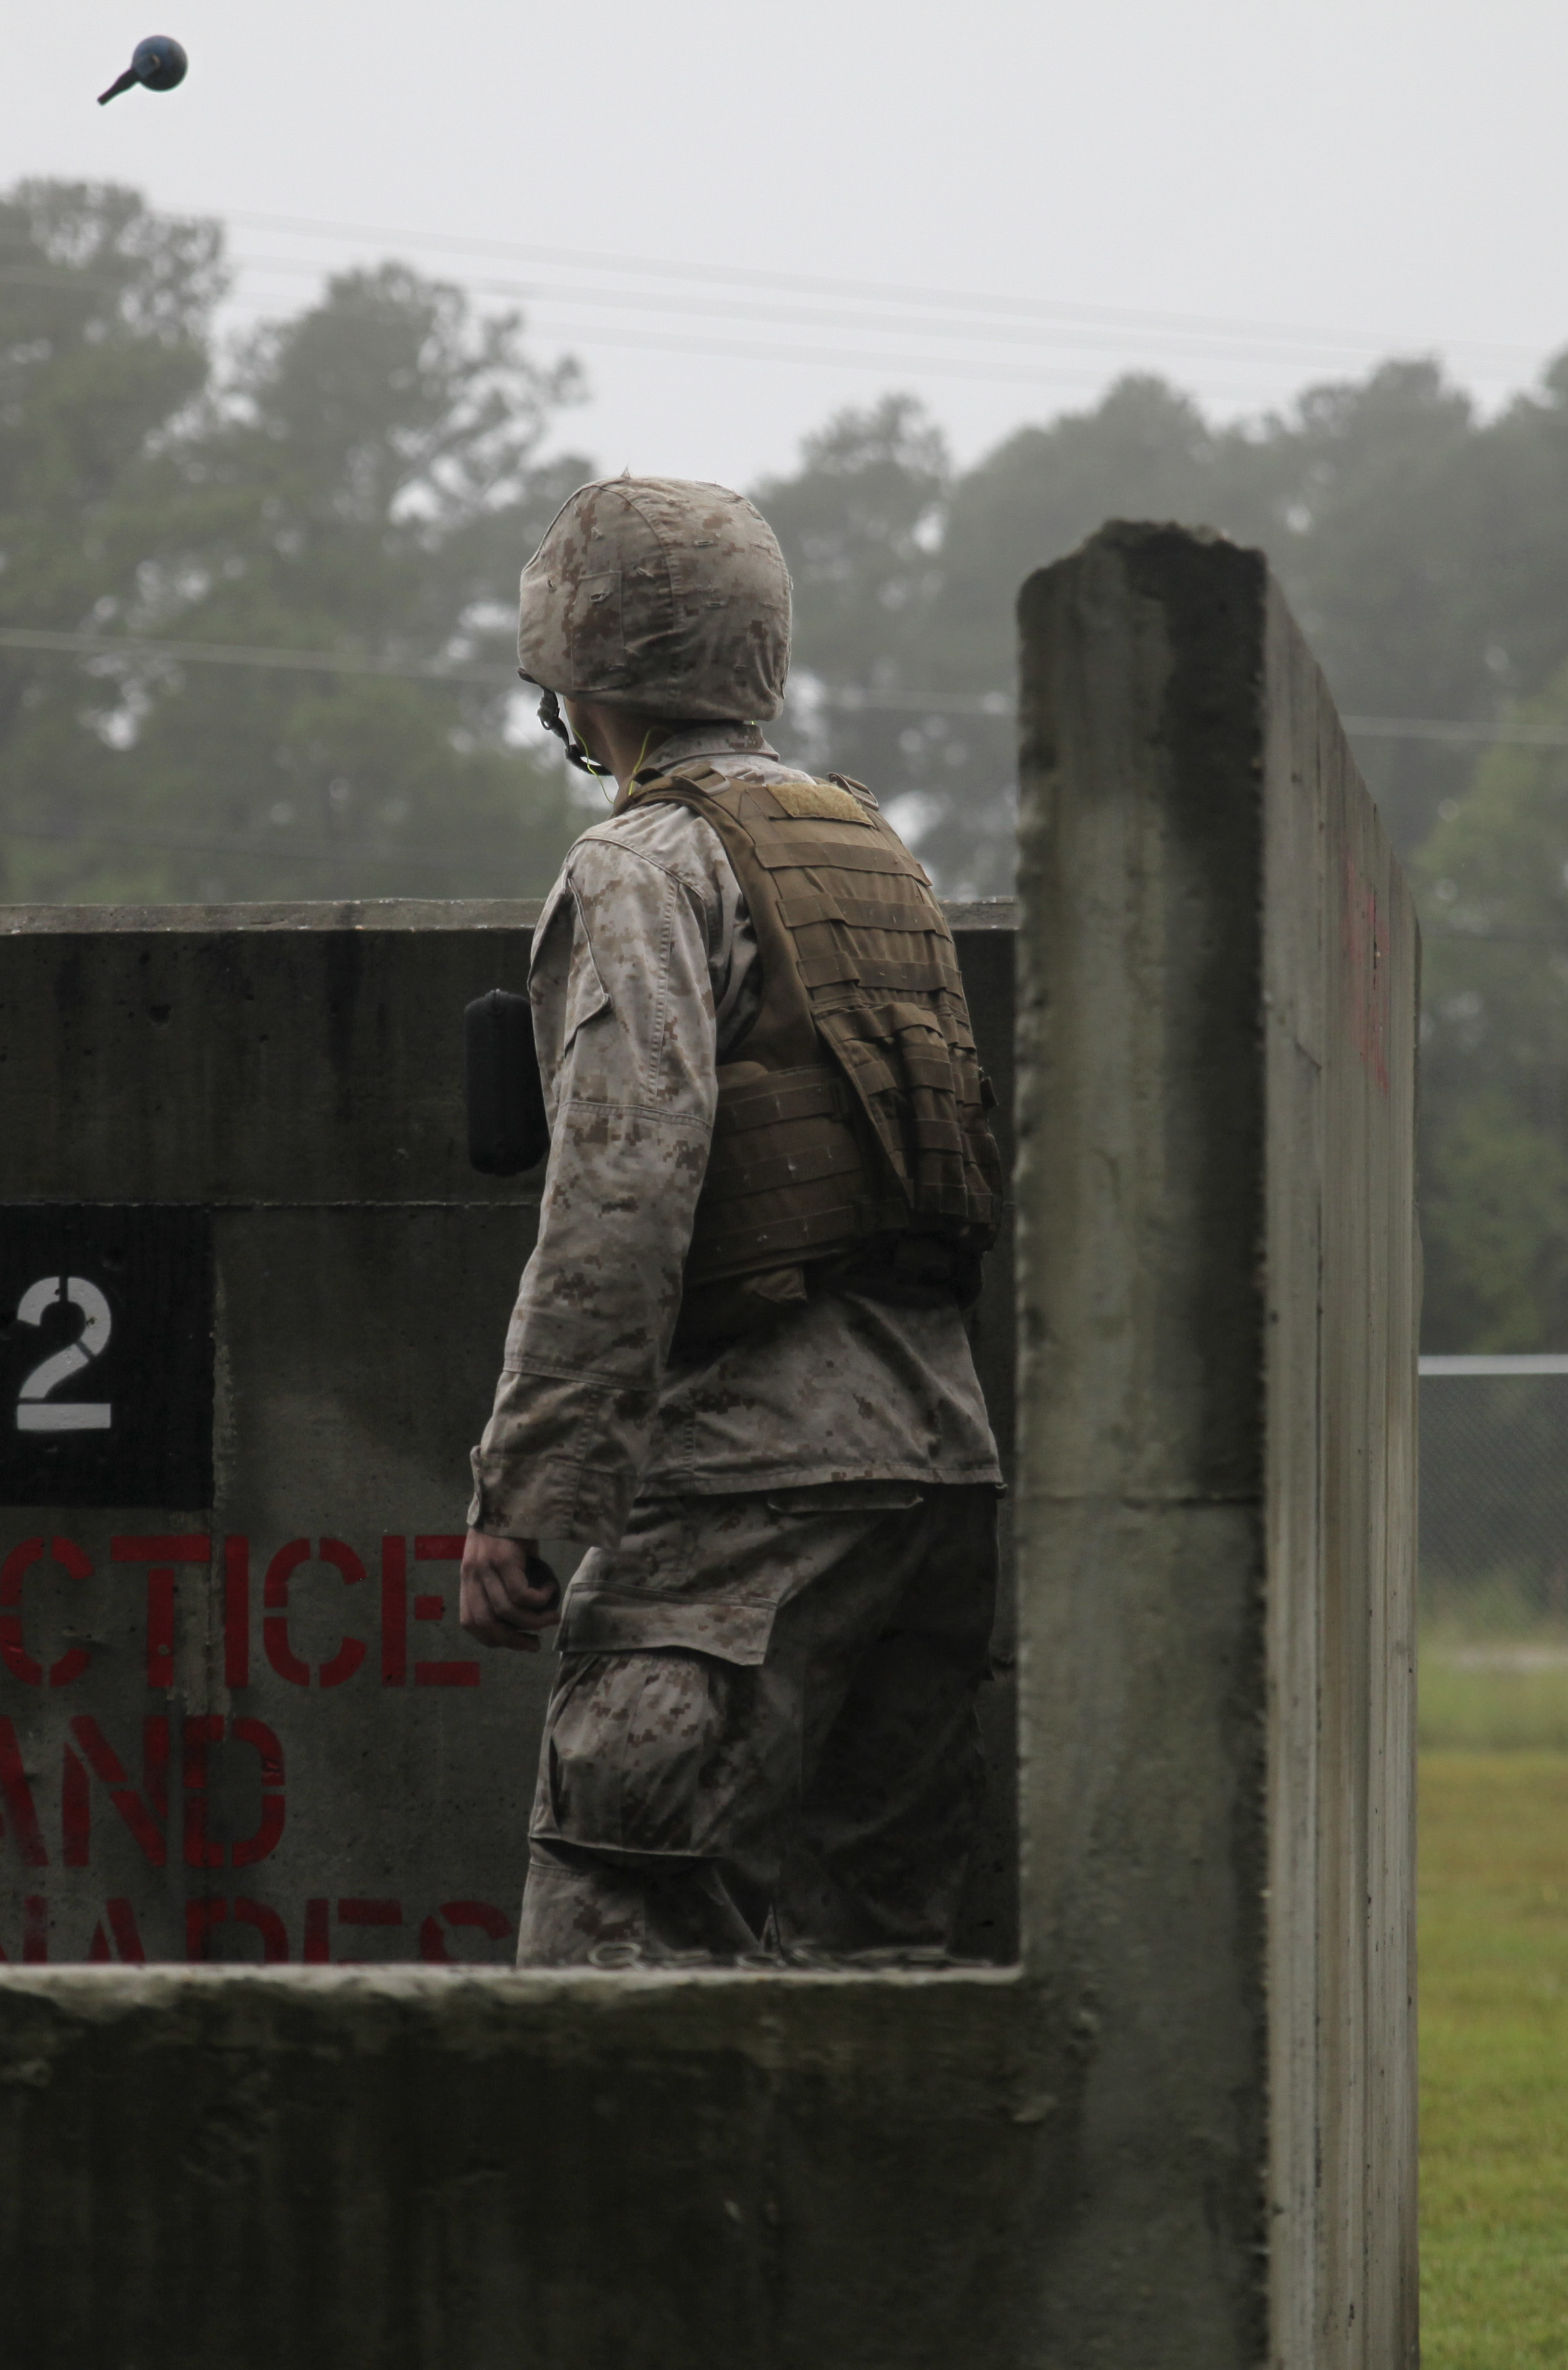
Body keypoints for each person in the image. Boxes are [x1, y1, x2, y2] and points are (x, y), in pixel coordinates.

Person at [455, 479, 1005, 1966]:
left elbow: (621, 1196)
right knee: (877, 1980)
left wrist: (531, 1491)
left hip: (740, 1495)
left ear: (578, 663)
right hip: (938, 1467)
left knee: (621, 1957)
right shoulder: (879, 861)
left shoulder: (640, 864)